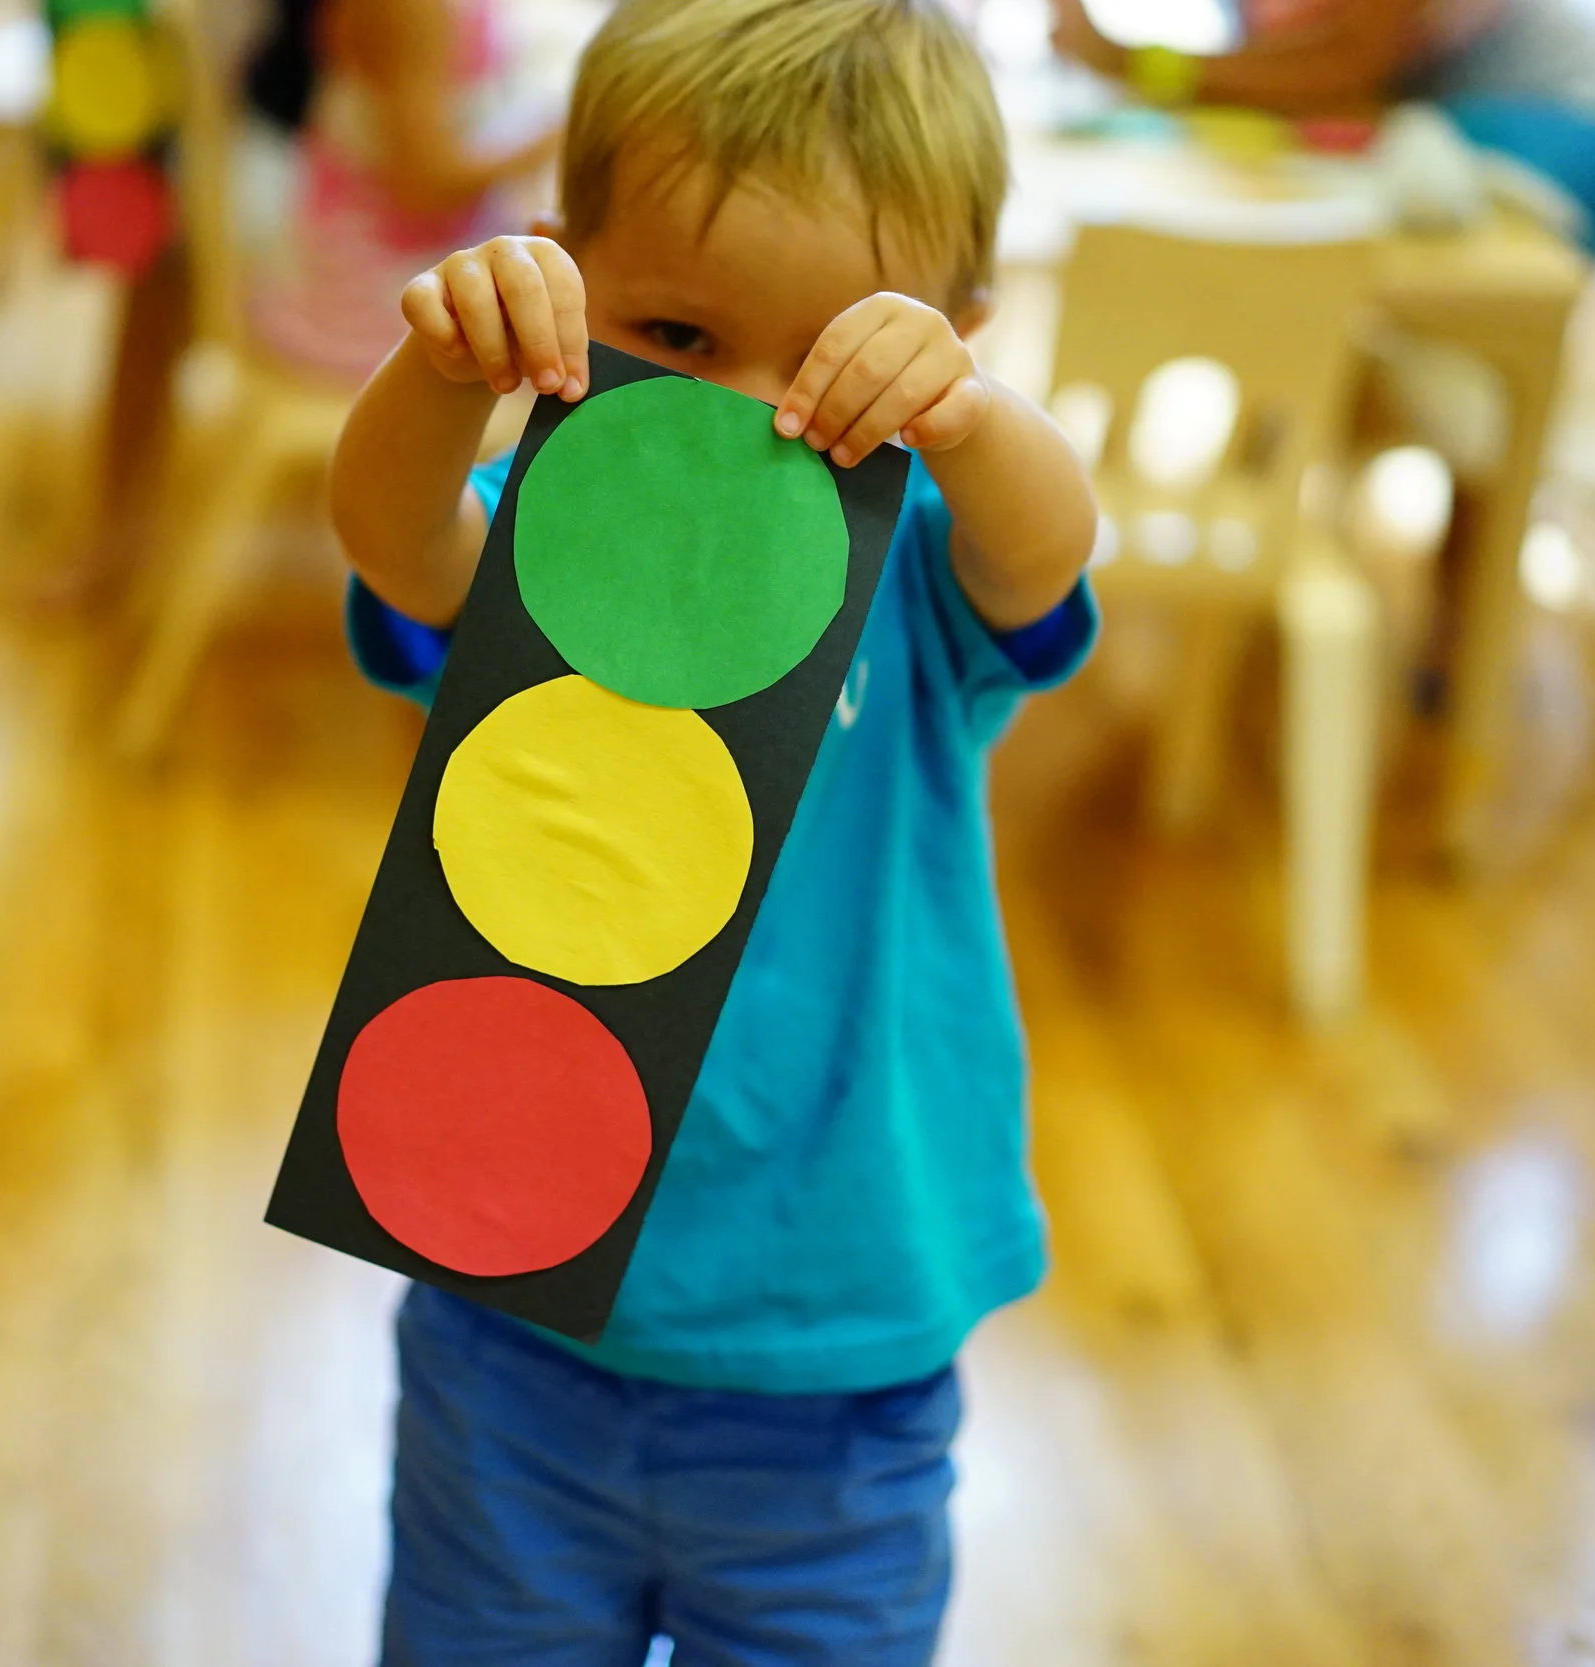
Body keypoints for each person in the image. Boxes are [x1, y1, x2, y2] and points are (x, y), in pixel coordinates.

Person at [324, 0, 1102, 1656]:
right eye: (677, 337)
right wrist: (440, 368)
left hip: (842, 1357)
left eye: (834, 362)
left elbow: (1048, 557)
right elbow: (399, 549)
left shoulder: (926, 568)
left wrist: (967, 423)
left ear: (955, 339)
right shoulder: (565, 526)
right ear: (572, 286)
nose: (754, 418)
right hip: (512, 1341)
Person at [1049, 0, 1595, 252]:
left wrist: (1139, 63)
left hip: (1580, 133)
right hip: (1466, 129)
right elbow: (1286, 71)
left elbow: (1342, 73)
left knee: (1383, 249)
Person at [232, 0, 561, 382]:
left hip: (423, 250)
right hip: (375, 293)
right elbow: (425, 189)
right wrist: (546, 138)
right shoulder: (409, 9)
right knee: (576, 333)